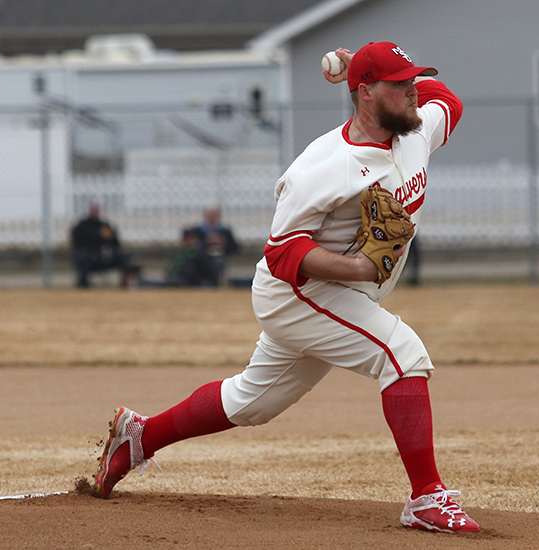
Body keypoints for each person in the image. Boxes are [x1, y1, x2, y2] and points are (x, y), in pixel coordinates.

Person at [91, 41, 477, 533]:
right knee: (402, 352)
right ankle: (426, 497)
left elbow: (450, 99)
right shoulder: (322, 168)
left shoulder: (417, 130)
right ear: (366, 95)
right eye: (399, 85)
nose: (412, 92)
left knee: (251, 403)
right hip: (297, 294)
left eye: (410, 82)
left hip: (343, 294)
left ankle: (138, 437)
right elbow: (282, 252)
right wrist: (357, 268)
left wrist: (366, 63)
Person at [70, 203, 138, 289]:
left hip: (106, 256)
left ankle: (127, 284)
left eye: (96, 210)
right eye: (93, 210)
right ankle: (83, 284)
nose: (95, 212)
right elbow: (77, 244)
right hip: (89, 256)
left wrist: (109, 251)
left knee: (129, 257)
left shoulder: (105, 226)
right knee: (82, 258)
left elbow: (115, 242)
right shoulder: (82, 226)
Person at [136, 227, 221, 288]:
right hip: (175, 280)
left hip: (186, 282)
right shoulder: (179, 252)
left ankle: (142, 283)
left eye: (189, 238)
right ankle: (141, 282)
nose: (186, 241)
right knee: (160, 283)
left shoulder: (197, 253)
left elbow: (209, 270)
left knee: (165, 284)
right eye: (185, 238)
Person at [193, 206, 239, 285]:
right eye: (209, 216)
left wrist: (223, 242)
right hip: (202, 257)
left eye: (214, 216)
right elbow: (194, 247)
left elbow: (235, 248)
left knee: (218, 263)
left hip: (220, 256)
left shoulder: (225, 231)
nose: (212, 218)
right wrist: (207, 241)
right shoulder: (198, 231)